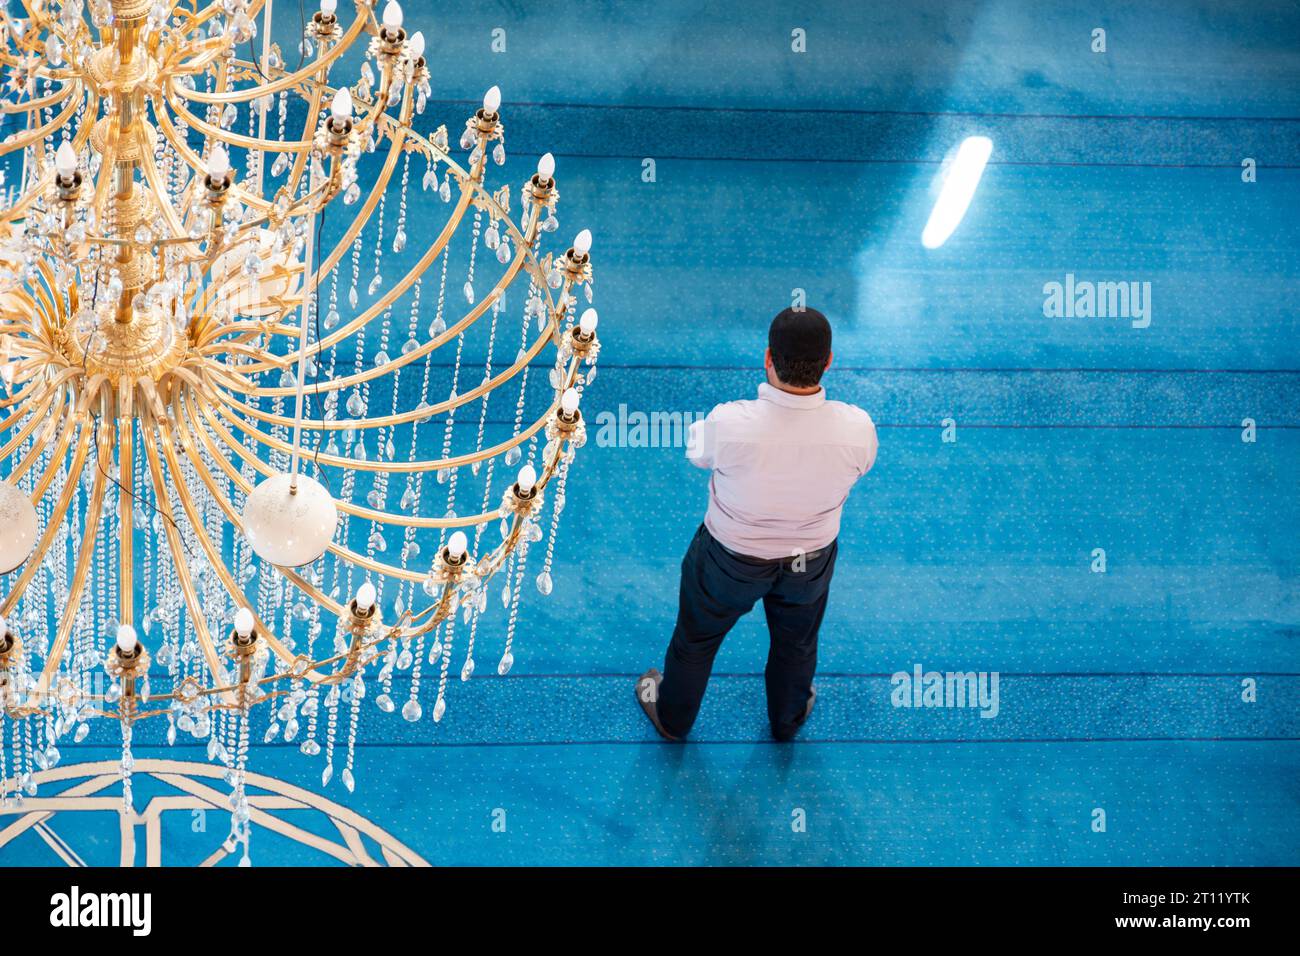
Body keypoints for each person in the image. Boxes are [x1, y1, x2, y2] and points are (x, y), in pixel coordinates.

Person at [637, 307, 878, 742]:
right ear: (828, 362)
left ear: (768, 357)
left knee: (696, 640)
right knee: (797, 642)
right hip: (811, 560)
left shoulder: (729, 423)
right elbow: (859, 469)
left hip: (728, 558)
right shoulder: (858, 427)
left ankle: (672, 719)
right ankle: (787, 719)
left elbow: (697, 454)